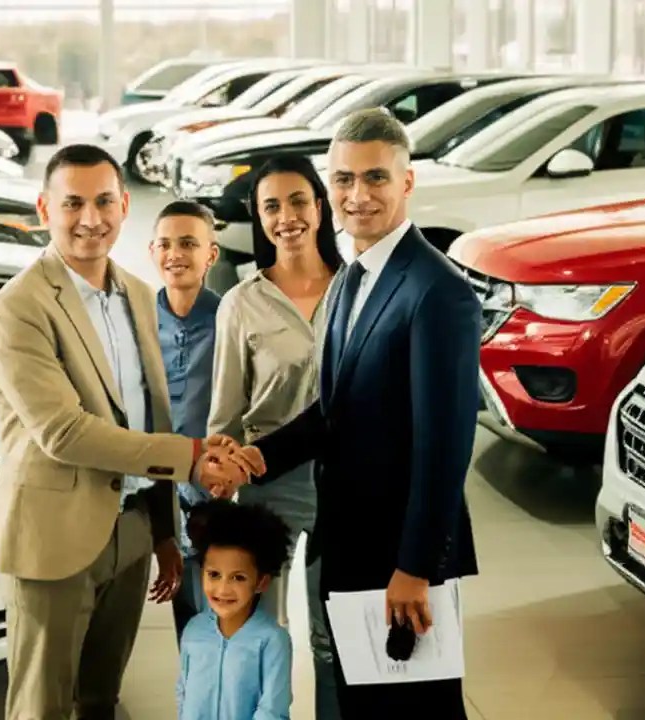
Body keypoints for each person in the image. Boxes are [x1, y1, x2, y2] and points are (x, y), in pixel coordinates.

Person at [204, 109, 482, 717]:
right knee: (362, 699)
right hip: (348, 537)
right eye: (345, 180)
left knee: (418, 706)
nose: (359, 196)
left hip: (400, 557)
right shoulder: (355, 277)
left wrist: (414, 567)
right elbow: (336, 408)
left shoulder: (437, 293)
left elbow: (445, 448)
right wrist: (262, 455)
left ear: (407, 183)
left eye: (376, 178)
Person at [0, 143, 262, 720]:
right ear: (44, 207)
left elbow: (149, 412)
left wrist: (161, 531)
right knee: (42, 707)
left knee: (101, 701)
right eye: (73, 203)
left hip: (131, 535)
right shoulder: (20, 308)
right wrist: (189, 457)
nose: (91, 218)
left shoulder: (137, 292)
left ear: (125, 204)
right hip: (55, 542)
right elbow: (63, 432)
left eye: (104, 201)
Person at [206, 153, 343, 719]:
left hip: (345, 485)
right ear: (258, 219)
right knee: (266, 632)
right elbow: (225, 413)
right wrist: (219, 472)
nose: (286, 217)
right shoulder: (242, 302)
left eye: (297, 201)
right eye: (271, 206)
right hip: (269, 484)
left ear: (319, 205)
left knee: (333, 633)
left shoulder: (357, 289)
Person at [148, 199, 222, 641]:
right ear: (152, 251)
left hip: (216, 493)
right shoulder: (137, 318)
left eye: (189, 243)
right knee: (185, 618)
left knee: (222, 613)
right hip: (155, 489)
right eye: (166, 244)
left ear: (211, 254)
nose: (175, 254)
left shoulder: (231, 317)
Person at [175, 499, 294, 720]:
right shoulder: (194, 630)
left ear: (261, 583)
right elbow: (183, 693)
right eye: (214, 575)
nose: (222, 589)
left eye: (238, 577)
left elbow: (273, 710)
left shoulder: (272, 640)